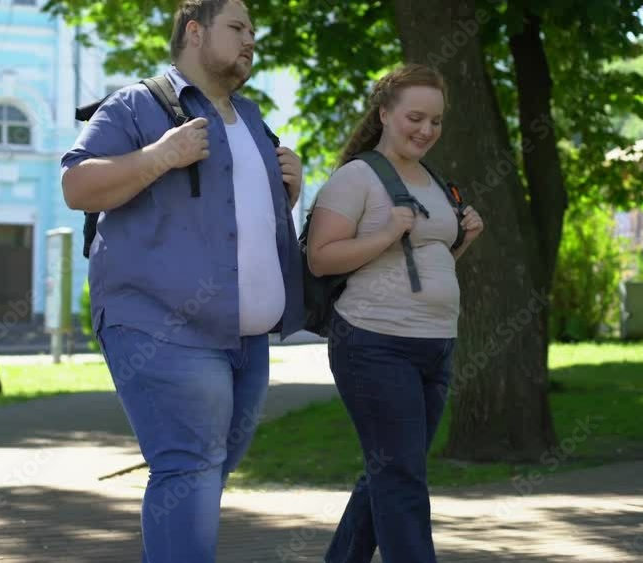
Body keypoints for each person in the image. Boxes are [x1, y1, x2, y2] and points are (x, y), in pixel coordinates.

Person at [59, 1, 304, 561]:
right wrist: (159, 155)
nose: (250, 41)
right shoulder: (136, 105)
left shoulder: (249, 116)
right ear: (195, 32)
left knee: (204, 471)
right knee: (190, 466)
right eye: (237, 28)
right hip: (162, 326)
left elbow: (238, 219)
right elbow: (77, 186)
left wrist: (286, 189)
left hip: (247, 340)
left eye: (253, 32)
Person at [306, 64, 484, 563]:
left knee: (392, 471)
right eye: (415, 117)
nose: (426, 130)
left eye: (436, 121)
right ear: (384, 113)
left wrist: (463, 239)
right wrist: (385, 233)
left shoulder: (432, 179)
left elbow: (428, 264)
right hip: (374, 344)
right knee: (402, 476)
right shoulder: (357, 177)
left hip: (435, 344)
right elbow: (321, 257)